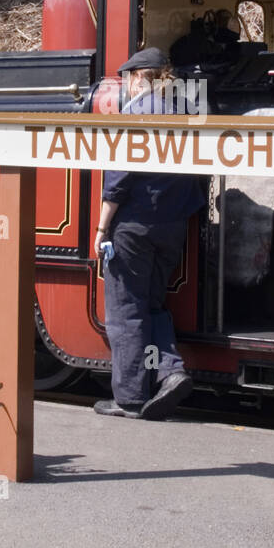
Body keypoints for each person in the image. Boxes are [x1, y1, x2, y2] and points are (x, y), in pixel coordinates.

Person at [93, 47, 206, 420]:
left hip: (133, 227)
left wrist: (101, 227)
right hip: (172, 226)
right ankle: (171, 371)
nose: (126, 86)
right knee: (152, 305)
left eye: (127, 79)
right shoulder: (189, 110)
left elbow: (118, 180)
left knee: (125, 311)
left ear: (141, 76)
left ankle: (128, 398)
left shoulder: (135, 114)